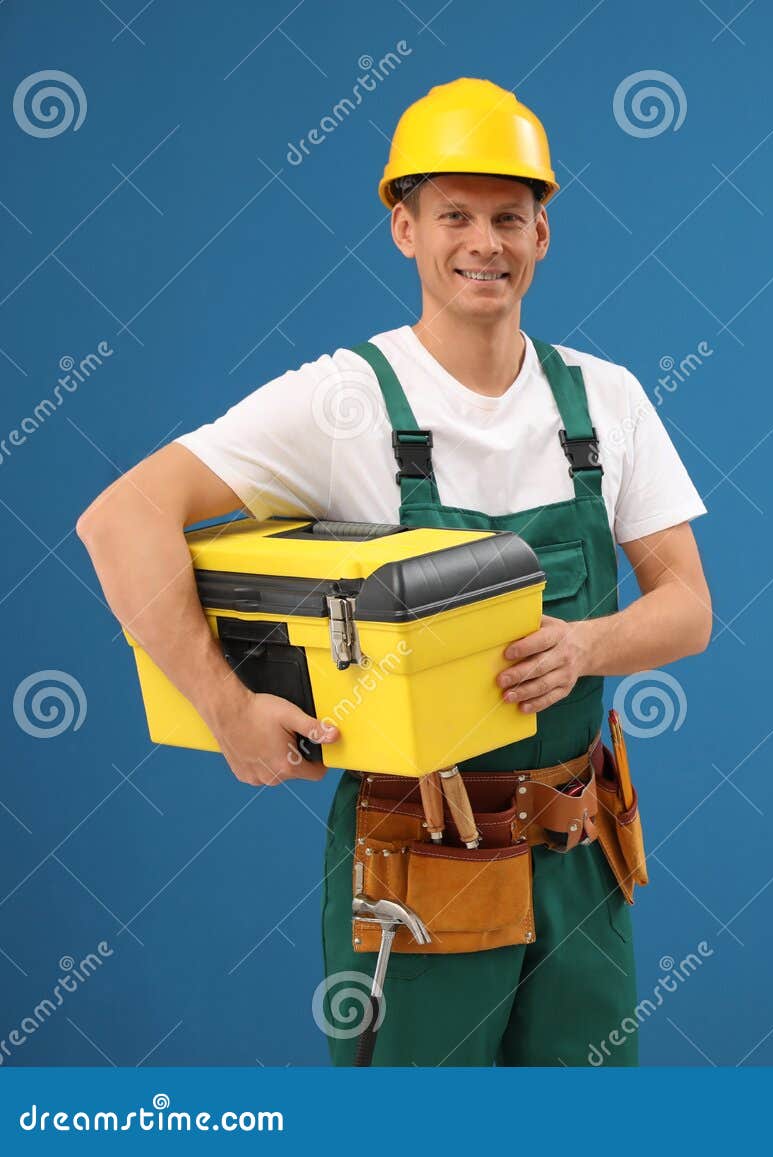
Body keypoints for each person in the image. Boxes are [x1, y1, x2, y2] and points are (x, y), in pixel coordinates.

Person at [76, 77, 712, 1066]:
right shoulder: (344, 402)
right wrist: (225, 706)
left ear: (543, 234)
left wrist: (588, 644)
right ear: (403, 228)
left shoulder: (607, 399)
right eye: (454, 215)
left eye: (509, 217)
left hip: (580, 851)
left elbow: (688, 608)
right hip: (418, 863)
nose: (484, 242)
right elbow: (121, 518)